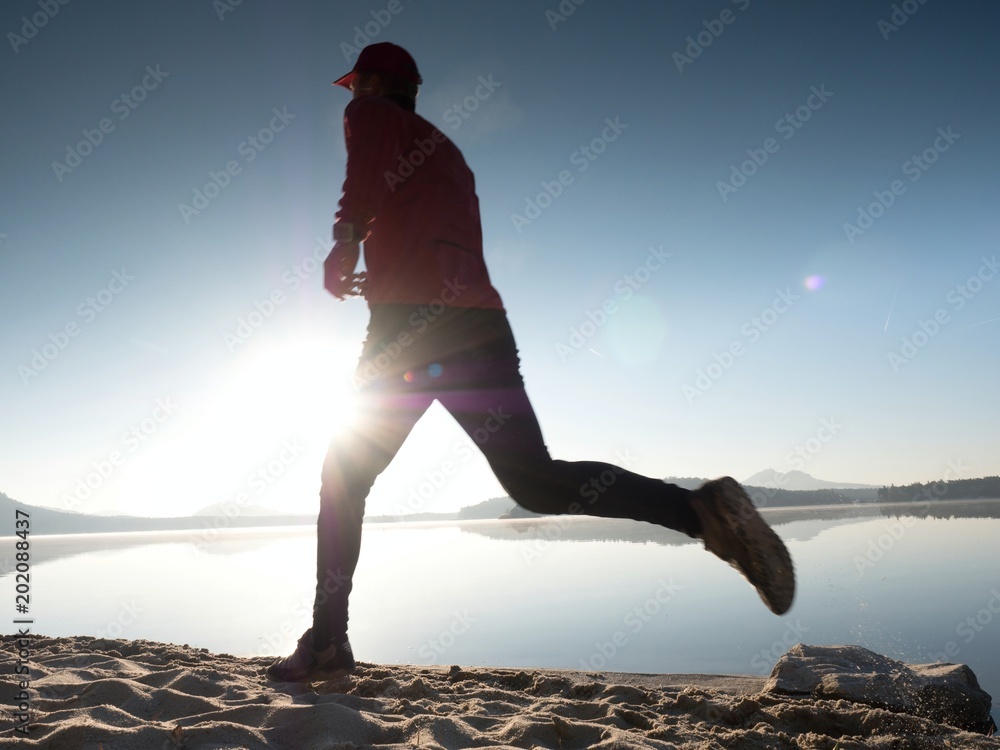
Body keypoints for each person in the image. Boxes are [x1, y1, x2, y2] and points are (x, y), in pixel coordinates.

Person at [266, 42, 794, 682]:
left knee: (342, 481)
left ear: (377, 85)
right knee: (534, 482)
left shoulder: (372, 117)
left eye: (358, 87)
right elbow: (425, 230)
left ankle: (326, 642)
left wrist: (342, 245)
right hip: (477, 329)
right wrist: (377, 272)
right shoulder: (448, 156)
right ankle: (701, 513)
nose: (351, 99)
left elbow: (360, 186)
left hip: (409, 332)